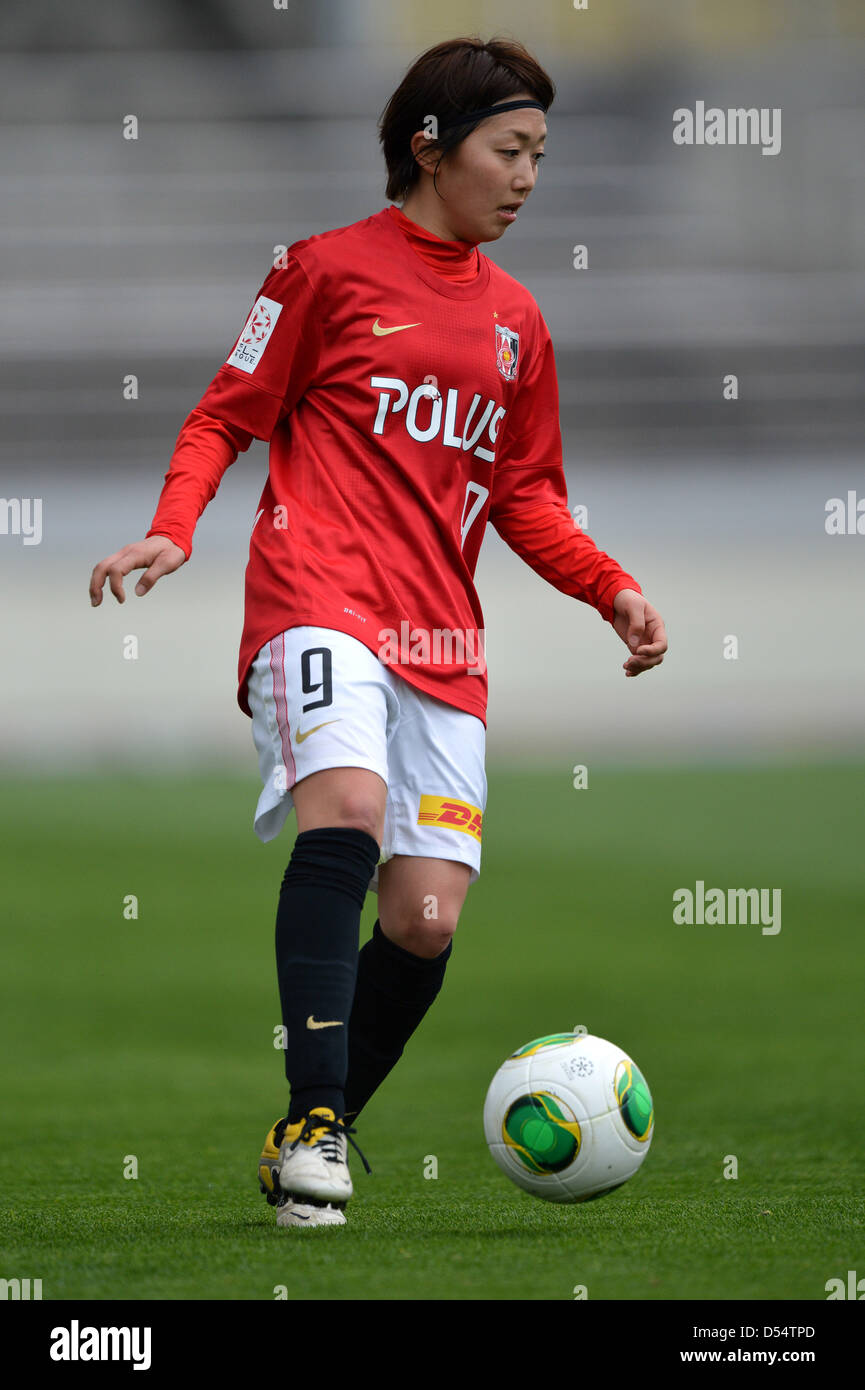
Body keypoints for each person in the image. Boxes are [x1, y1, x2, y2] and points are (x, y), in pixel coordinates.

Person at [88, 35, 667, 1231]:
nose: (525, 178)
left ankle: (321, 1127)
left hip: (442, 645)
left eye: (540, 157)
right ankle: (312, 1121)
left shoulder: (518, 324)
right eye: (508, 151)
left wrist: (606, 586)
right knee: (342, 810)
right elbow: (222, 413)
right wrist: (173, 528)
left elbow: (527, 496)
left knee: (423, 919)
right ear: (429, 146)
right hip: (316, 599)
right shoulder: (321, 271)